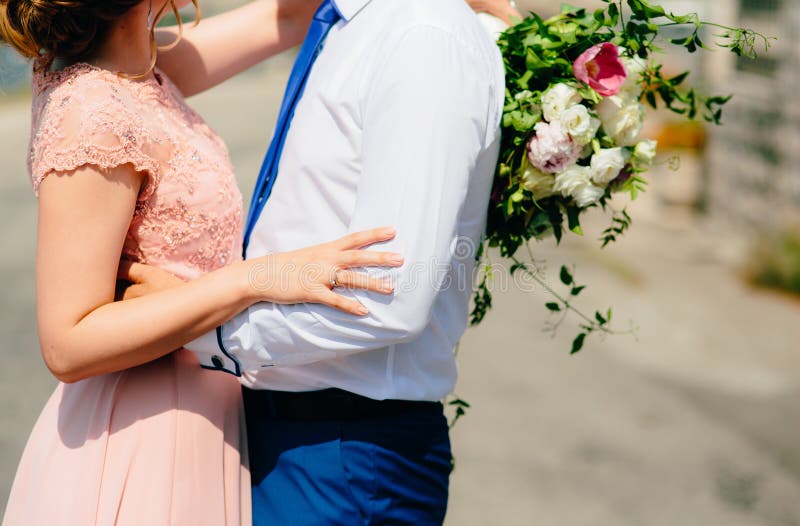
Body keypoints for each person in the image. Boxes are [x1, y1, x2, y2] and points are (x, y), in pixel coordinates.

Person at [0, 1, 406, 524]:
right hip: (141, 436)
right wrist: (255, 280)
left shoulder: (146, 63)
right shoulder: (89, 109)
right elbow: (67, 341)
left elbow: (284, 18)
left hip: (204, 415)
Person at [152, 0, 520, 524]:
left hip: (344, 454)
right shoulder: (350, 22)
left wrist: (191, 325)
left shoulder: (423, 34)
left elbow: (388, 295)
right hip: (289, 434)